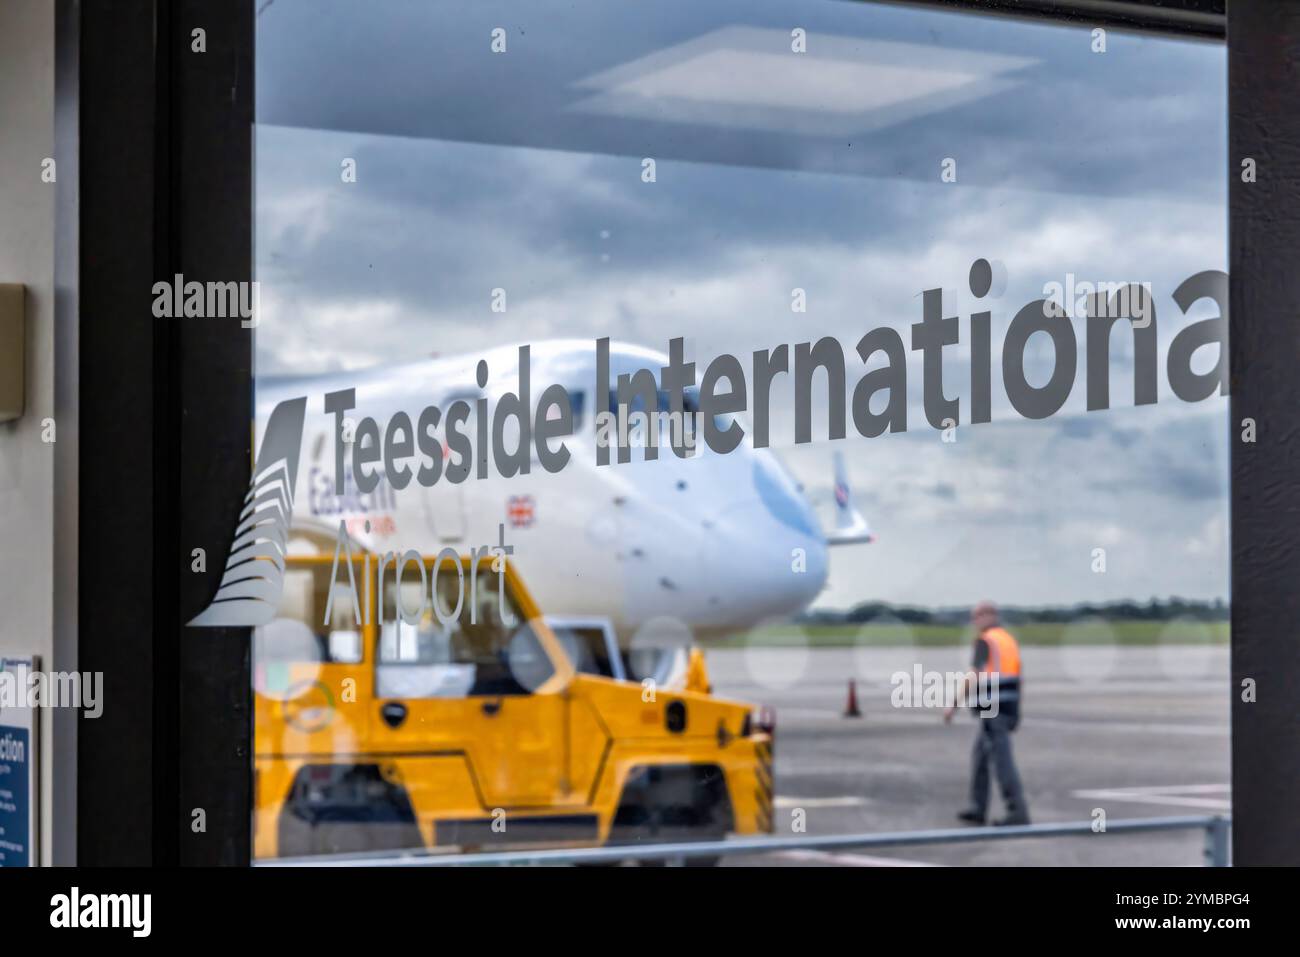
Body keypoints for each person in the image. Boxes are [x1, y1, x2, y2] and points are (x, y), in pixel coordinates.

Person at [944, 601, 1030, 826]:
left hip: (993, 710)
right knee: (980, 758)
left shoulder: (986, 641)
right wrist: (1016, 712)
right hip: (1005, 707)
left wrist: (953, 704)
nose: (974, 622)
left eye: (977, 616)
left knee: (1002, 763)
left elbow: (973, 674)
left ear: (989, 615)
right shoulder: (1007, 640)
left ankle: (1017, 811)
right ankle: (977, 807)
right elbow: (1018, 676)